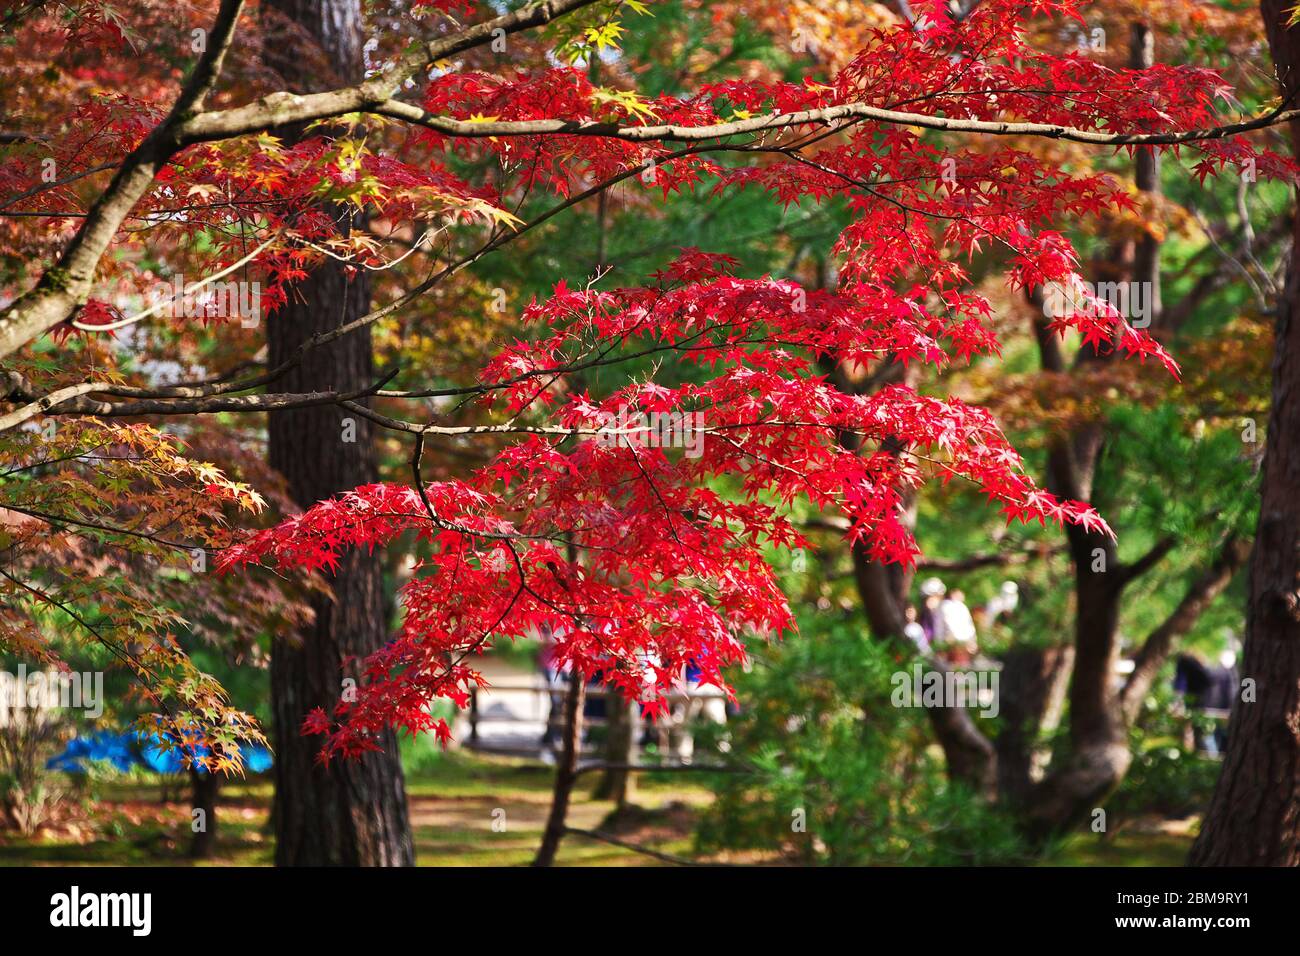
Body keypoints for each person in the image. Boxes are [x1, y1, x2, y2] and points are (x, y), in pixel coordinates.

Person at [938, 588, 978, 665]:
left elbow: (969, 625)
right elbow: (947, 624)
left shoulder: (962, 607)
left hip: (963, 642)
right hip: (953, 642)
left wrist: (972, 640)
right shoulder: (946, 606)